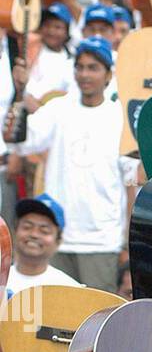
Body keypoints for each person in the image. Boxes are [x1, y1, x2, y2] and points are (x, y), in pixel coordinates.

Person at [3, 38, 138, 291]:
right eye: (80, 67)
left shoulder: (119, 117)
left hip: (102, 242)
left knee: (95, 320)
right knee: (54, 321)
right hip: (56, 239)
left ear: (108, 75)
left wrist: (125, 243)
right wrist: (19, 92)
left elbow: (130, 182)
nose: (84, 74)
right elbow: (19, 141)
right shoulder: (57, 110)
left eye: (93, 68)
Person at [4, 195, 78, 292]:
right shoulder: (2, 281)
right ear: (14, 232)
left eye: (44, 231)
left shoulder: (69, 289)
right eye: (27, 227)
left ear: (58, 241)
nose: (34, 234)